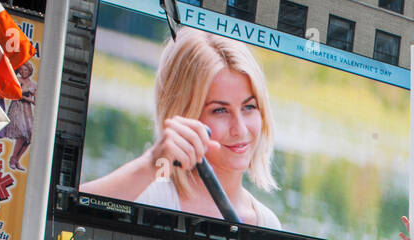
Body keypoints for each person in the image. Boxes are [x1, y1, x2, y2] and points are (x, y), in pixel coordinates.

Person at [80, 29, 281, 227]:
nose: (240, 129)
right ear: (184, 114)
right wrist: (151, 164)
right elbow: (65, 207)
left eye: (249, 107)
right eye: (220, 110)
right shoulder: (146, 197)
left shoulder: (267, 223)